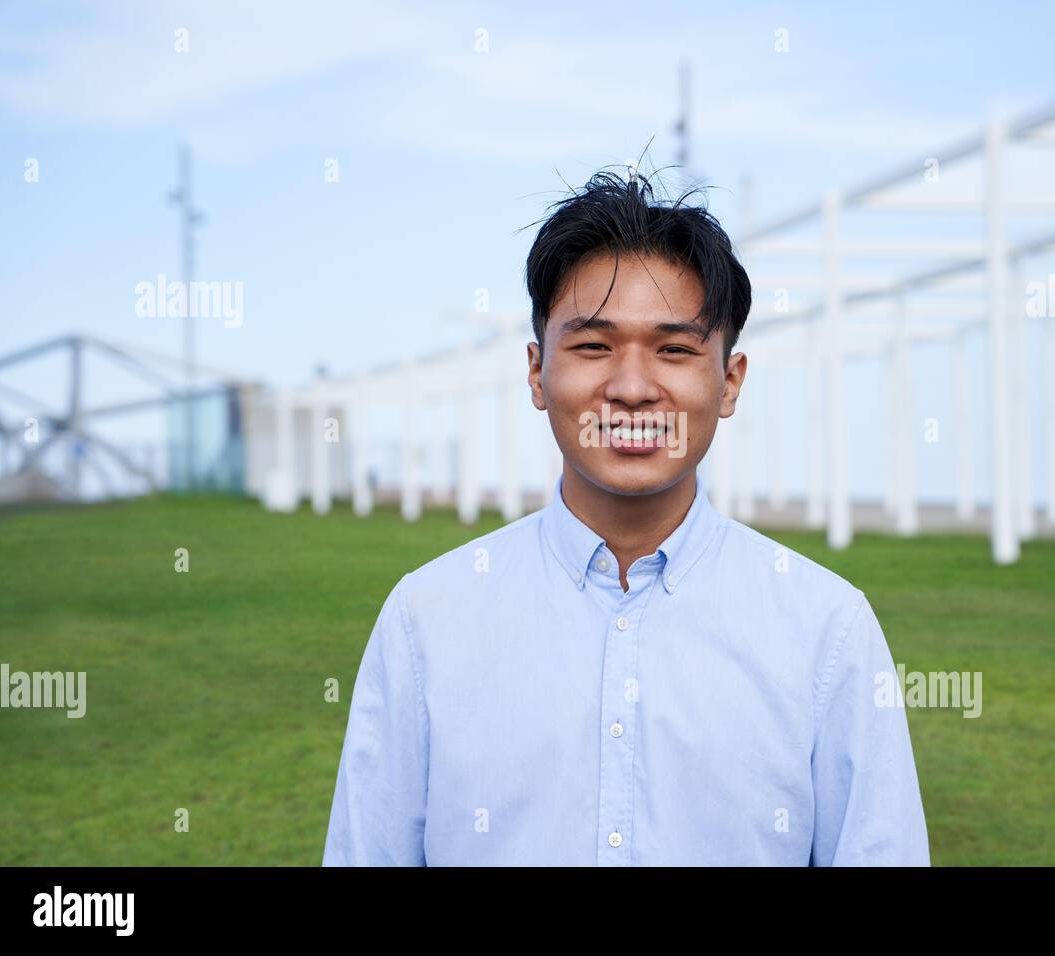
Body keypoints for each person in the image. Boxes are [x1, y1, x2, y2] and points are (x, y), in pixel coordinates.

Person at [322, 166, 929, 866]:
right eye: (592, 346)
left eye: (675, 348)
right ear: (535, 372)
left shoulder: (827, 630)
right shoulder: (425, 621)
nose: (634, 388)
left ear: (729, 382)